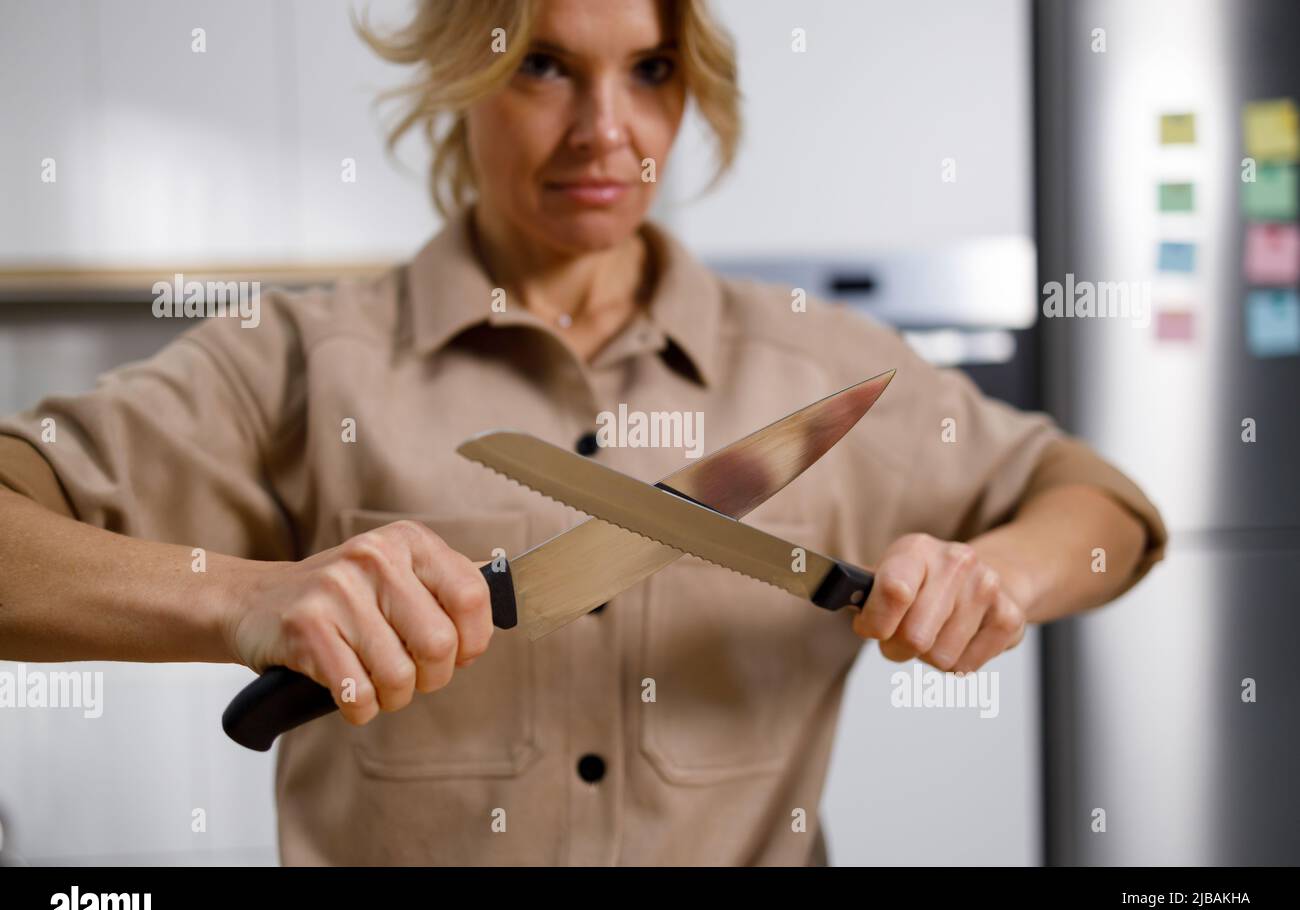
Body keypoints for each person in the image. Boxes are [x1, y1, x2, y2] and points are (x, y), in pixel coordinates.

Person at [0, 0, 1165, 865]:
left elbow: (1101, 507)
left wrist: (997, 574)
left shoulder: (814, 374)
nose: (606, 132)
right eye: (544, 66)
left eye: (649, 70)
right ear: (463, 77)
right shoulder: (301, 363)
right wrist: (241, 599)